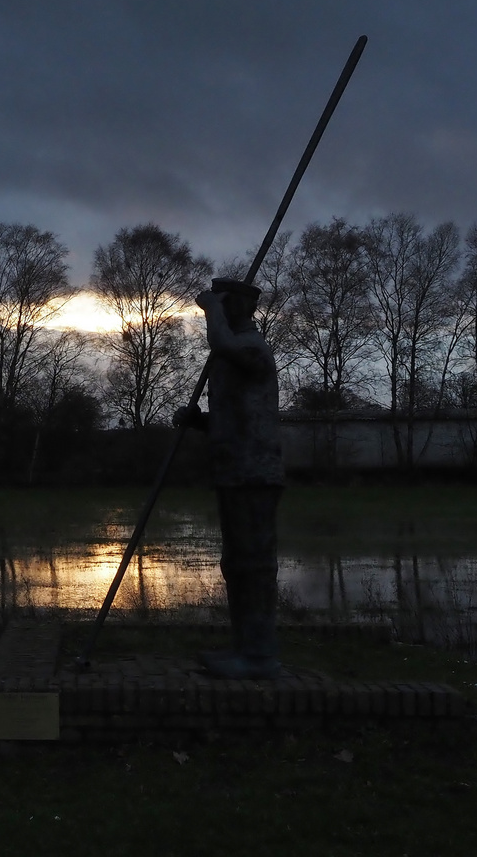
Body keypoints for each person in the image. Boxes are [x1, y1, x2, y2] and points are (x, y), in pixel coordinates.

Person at [174, 277, 285, 679]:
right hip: (235, 470)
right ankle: (246, 649)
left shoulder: (250, 348)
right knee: (237, 564)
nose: (217, 307)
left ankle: (259, 657)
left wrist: (211, 309)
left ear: (236, 306)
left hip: (254, 473)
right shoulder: (233, 355)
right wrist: (200, 422)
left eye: (224, 302)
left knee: (253, 564)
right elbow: (239, 416)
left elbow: (220, 342)